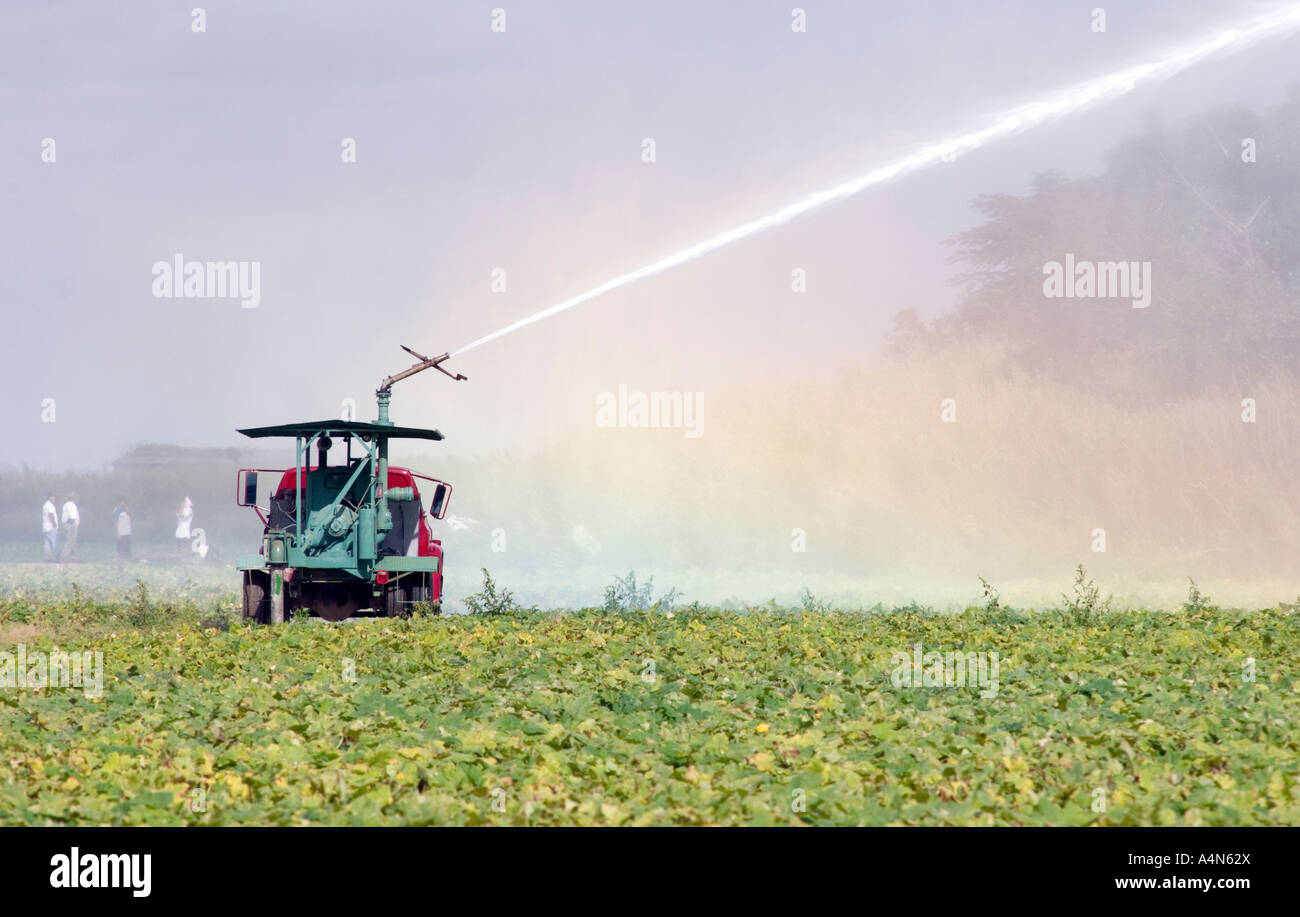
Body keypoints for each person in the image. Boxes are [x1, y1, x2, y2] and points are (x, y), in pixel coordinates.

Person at [60, 492, 80, 562]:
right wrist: (73, 525)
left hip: (67, 523)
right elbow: (72, 516)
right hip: (71, 524)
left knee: (72, 541)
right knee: (70, 541)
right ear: (73, 498)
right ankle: (64, 558)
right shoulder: (71, 505)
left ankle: (74, 558)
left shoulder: (65, 505)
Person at [42, 493, 59, 562]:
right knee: (54, 542)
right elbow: (51, 514)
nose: (54, 499)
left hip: (45, 527)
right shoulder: (50, 505)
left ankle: (47, 558)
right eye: (53, 497)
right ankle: (55, 557)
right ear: (50, 498)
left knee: (47, 543)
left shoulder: (45, 505)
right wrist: (54, 524)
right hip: (51, 526)